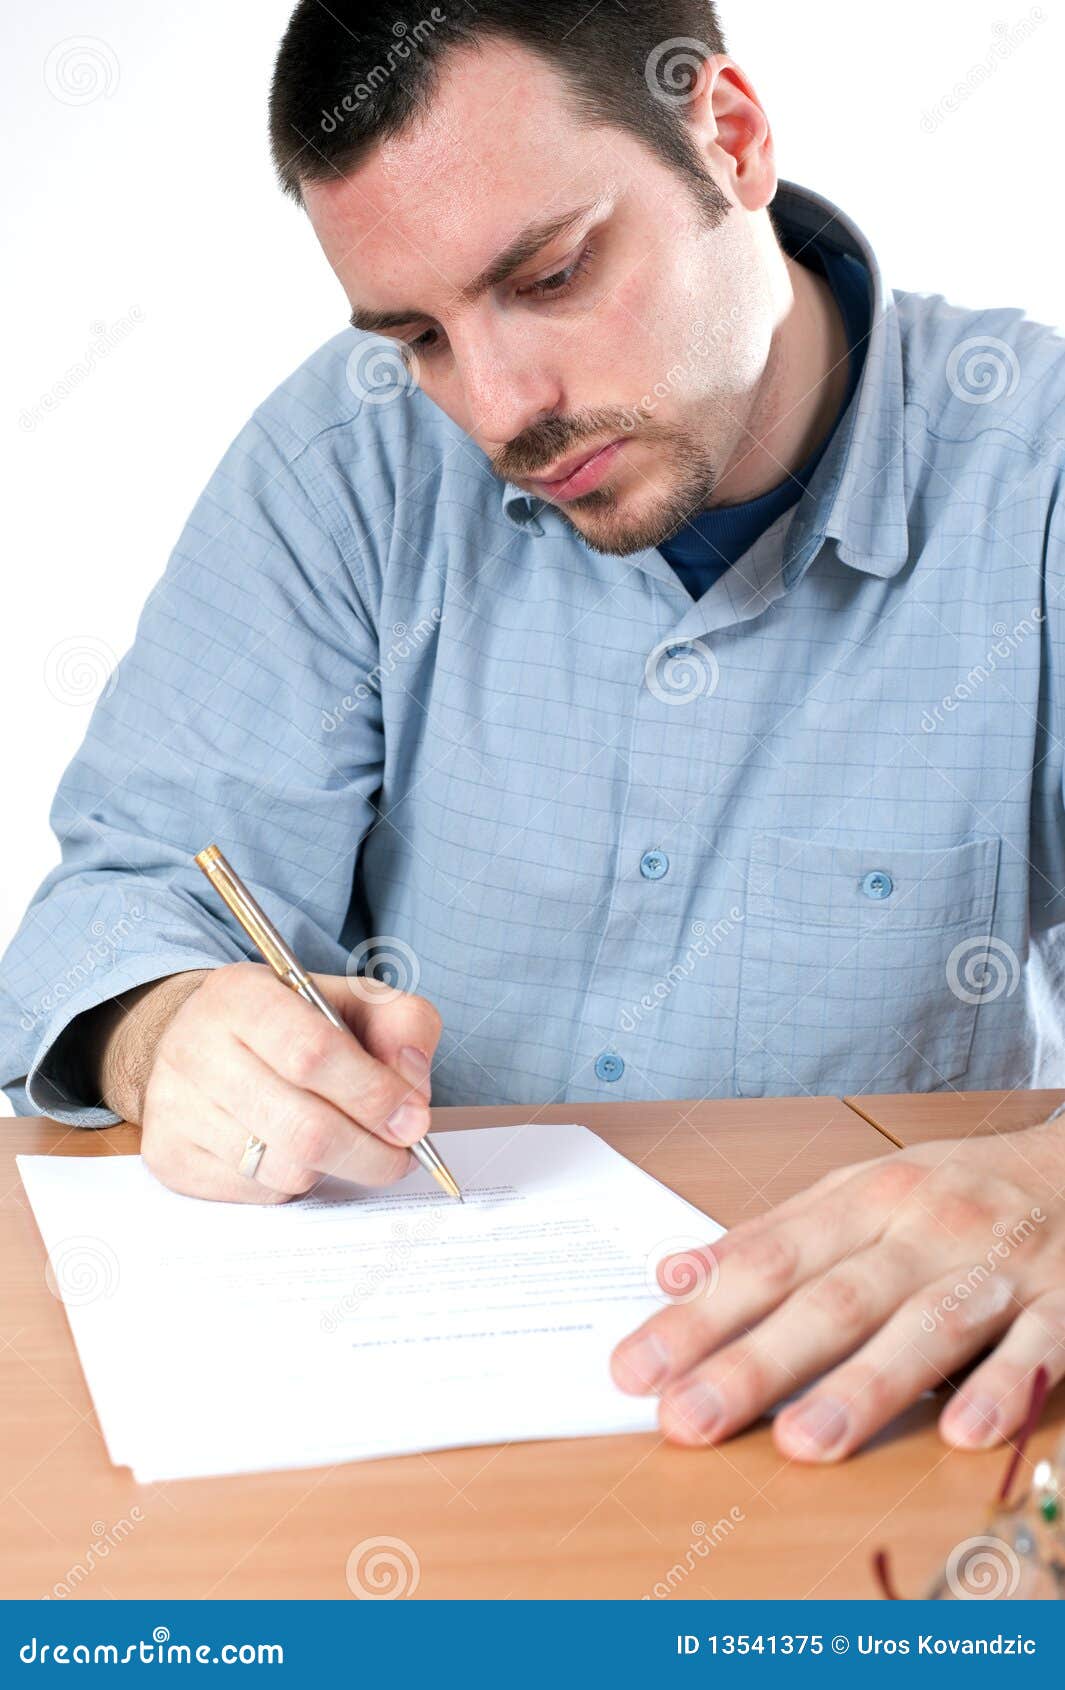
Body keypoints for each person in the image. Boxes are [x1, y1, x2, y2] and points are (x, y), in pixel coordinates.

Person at [4, 1, 1065, 1464]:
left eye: (551, 275)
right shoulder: (349, 463)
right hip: (406, 1416)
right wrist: (166, 1031)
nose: (502, 410)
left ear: (730, 138)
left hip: (874, 1432)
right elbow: (121, 898)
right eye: (420, 336)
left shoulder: (1036, 472)